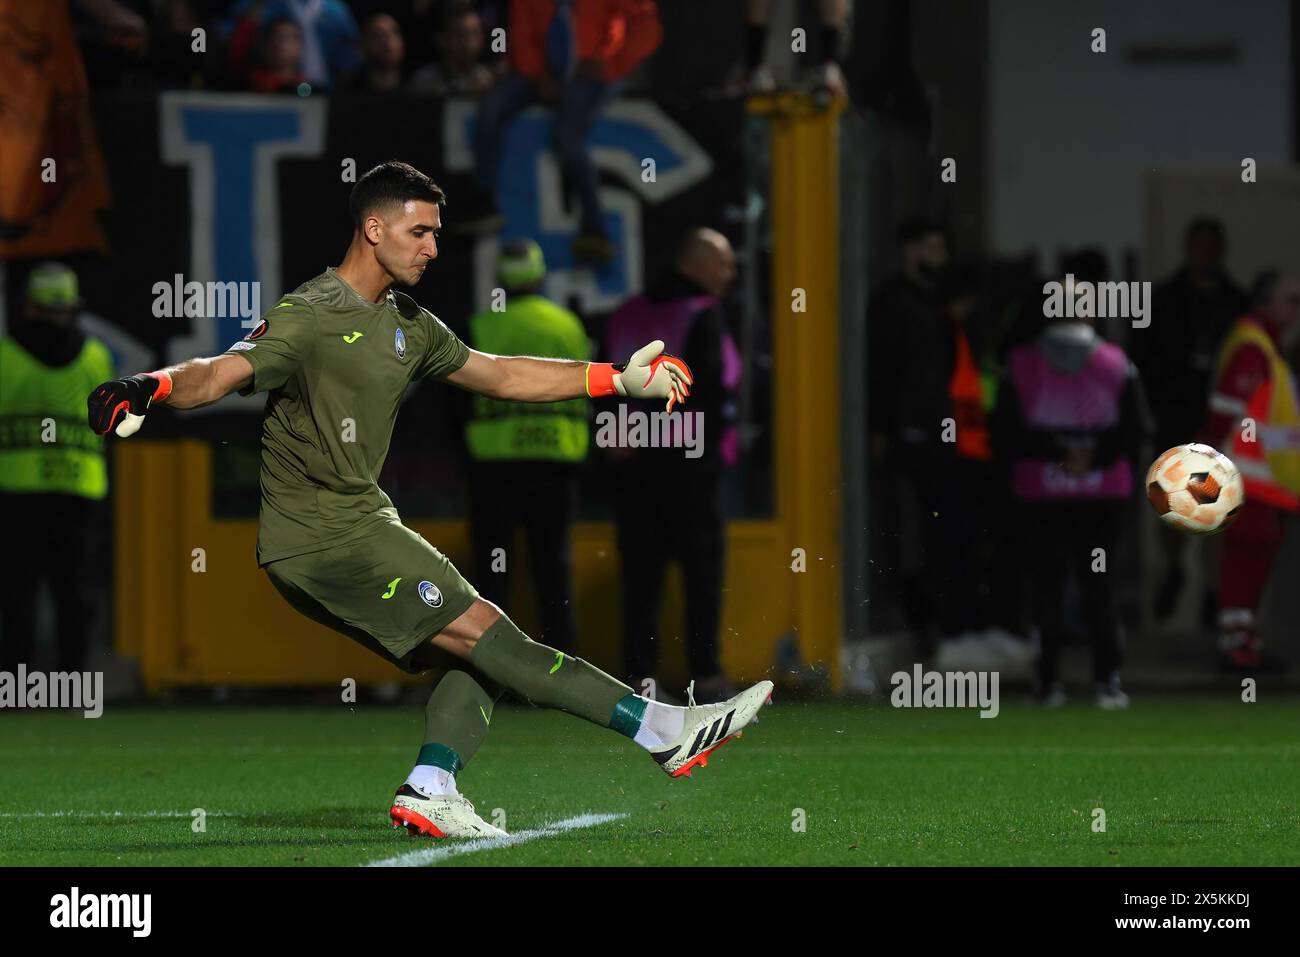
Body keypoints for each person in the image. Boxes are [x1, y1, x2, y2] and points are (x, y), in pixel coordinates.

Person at [87, 162, 771, 839]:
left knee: (478, 654)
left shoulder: (409, 323)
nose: (432, 248)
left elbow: (500, 374)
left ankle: (432, 785)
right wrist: (148, 387)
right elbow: (218, 373)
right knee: (496, 636)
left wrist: (615, 380)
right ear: (373, 227)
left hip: (347, 528)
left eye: (436, 234)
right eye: (419, 232)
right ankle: (661, 729)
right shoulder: (310, 313)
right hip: (329, 533)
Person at [990, 279, 1147, 709]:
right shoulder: (1116, 364)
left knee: (1047, 587)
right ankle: (1107, 681)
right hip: (1101, 494)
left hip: (1042, 492)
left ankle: (1048, 683)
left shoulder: (1019, 363)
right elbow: (1133, 433)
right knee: (1100, 585)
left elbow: (1005, 433)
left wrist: (1057, 454)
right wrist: (1091, 459)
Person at [604, 228, 742, 704]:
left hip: (631, 466)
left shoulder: (627, 313)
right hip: (688, 467)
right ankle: (706, 677)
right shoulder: (703, 314)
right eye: (723, 263)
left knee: (641, 577)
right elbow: (712, 392)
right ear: (697, 263)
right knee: (702, 574)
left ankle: (639, 679)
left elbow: (603, 381)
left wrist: (621, 436)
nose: (730, 273)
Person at [465, 0, 663, 264]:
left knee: (568, 138)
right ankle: (484, 202)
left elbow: (647, 27)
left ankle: (595, 229)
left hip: (594, 72)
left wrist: (612, 64)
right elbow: (522, 35)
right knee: (490, 110)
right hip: (540, 73)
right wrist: (539, 75)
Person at [464, 239, 589, 654]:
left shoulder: (482, 326)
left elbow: (455, 402)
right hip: (557, 462)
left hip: (495, 465)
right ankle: (564, 670)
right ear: (539, 276)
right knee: (554, 569)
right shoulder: (568, 325)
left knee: (491, 576)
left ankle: (489, 667)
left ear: (499, 278)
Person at [0, 263, 115, 674]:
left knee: (16, 596)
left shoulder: (5, 357)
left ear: (28, 304)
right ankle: (73, 686)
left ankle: (14, 689)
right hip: (79, 492)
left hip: (15, 492)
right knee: (76, 595)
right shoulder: (97, 358)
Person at [1133, 218, 1248, 623]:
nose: (1205, 253)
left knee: (1218, 505)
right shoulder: (1165, 300)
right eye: (1198, 244)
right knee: (1172, 503)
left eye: (1211, 245)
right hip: (1176, 417)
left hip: (1220, 423)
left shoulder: (1236, 302)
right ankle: (1175, 568)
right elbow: (1142, 359)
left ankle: (1211, 590)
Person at [1200, 271, 1300, 673]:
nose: (1297, 311)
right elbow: (1224, 411)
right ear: (1265, 302)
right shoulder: (1254, 349)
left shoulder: (1266, 347)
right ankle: (1236, 643)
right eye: (1291, 300)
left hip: (1258, 479)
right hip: (1245, 478)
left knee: (1252, 556)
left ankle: (1242, 638)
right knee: (1245, 557)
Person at [407, 0, 496, 97]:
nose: (468, 41)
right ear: (441, 39)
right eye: (460, 34)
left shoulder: (490, 81)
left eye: (475, 33)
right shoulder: (423, 82)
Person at [345, 12, 406, 93]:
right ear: (364, 45)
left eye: (394, 32)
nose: (388, 41)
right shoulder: (349, 89)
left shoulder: (417, 87)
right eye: (378, 35)